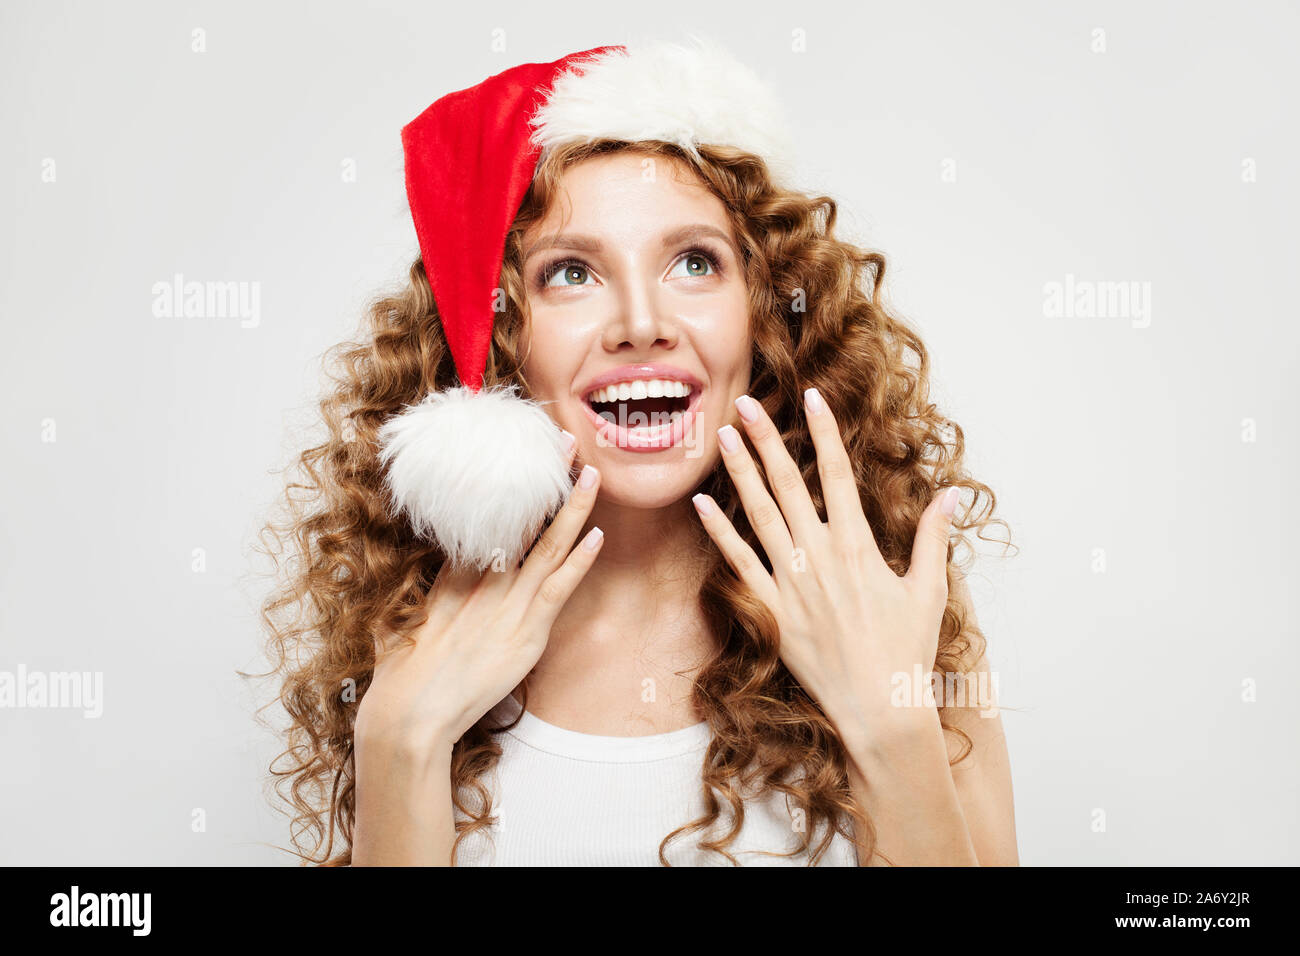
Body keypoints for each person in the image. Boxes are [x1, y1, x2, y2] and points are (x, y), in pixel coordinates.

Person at [258, 38, 1017, 866]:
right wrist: (399, 742)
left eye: (695, 262)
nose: (641, 321)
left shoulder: (889, 596)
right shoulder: (421, 629)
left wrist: (889, 723)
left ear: (763, 313)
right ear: (501, 339)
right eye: (570, 274)